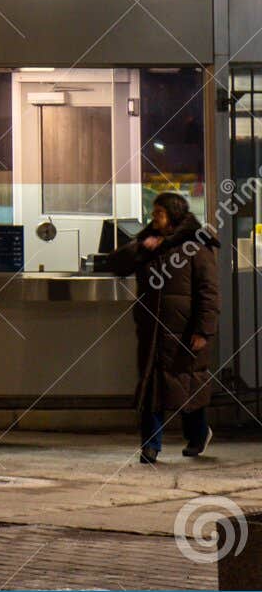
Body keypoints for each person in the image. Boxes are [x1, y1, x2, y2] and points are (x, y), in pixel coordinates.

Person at [104, 192, 219, 465]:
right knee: (152, 388)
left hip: (184, 333)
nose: (154, 218)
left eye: (159, 213)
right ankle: (151, 446)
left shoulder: (196, 246)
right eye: (153, 212)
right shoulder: (149, 242)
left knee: (186, 388)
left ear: (173, 216)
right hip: (152, 332)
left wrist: (203, 330)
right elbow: (117, 263)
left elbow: (209, 292)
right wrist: (142, 247)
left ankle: (199, 434)